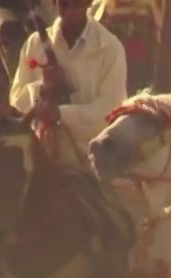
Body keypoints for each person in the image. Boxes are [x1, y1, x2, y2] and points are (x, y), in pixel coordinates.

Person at [9, 0, 127, 165]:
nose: (70, 11)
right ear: (54, 3)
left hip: (92, 158)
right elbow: (16, 103)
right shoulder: (34, 44)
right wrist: (43, 87)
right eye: (64, 4)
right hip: (41, 157)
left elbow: (110, 112)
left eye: (76, 4)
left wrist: (60, 114)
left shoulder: (109, 48)